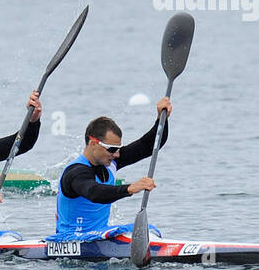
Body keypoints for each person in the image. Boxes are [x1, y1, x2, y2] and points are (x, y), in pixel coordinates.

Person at [48, 98, 173, 241]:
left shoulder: (110, 161)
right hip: (70, 239)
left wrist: (161, 118)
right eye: (112, 149)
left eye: (118, 149)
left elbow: (148, 145)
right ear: (94, 143)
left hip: (99, 235)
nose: (117, 154)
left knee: (148, 229)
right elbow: (94, 192)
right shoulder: (75, 172)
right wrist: (130, 188)